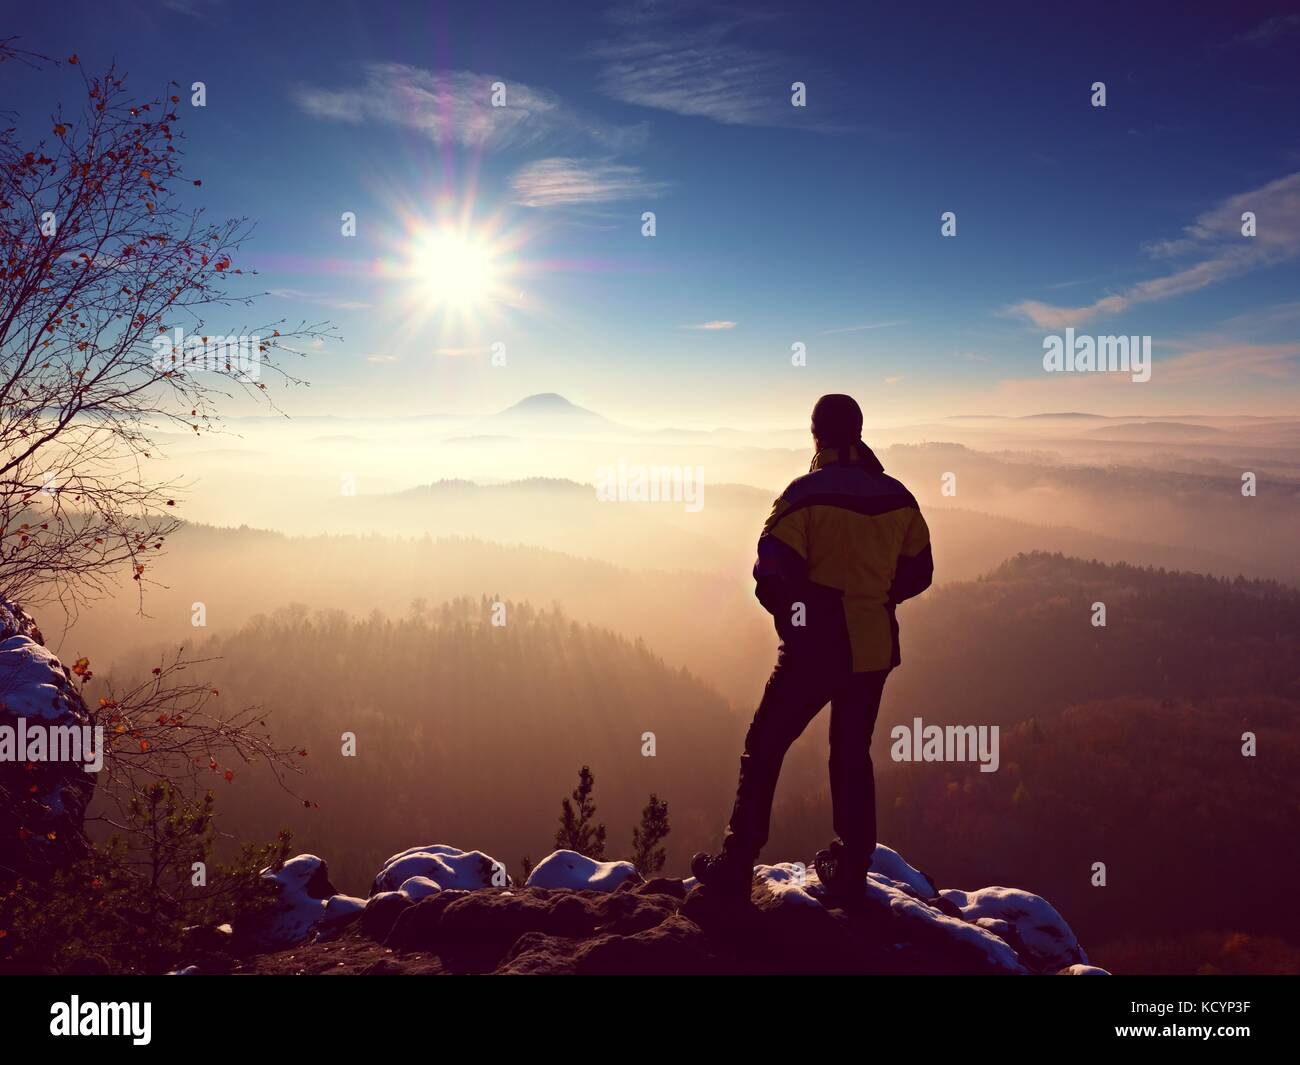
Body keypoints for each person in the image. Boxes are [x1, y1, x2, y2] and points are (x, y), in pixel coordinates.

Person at [691, 394, 933, 904]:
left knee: (764, 748)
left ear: (816, 435)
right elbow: (920, 572)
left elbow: (769, 573)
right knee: (850, 753)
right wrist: (875, 599)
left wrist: (799, 620)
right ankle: (851, 867)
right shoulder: (899, 498)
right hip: (873, 651)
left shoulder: (803, 495)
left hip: (814, 653)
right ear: (860, 432)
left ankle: (736, 866)